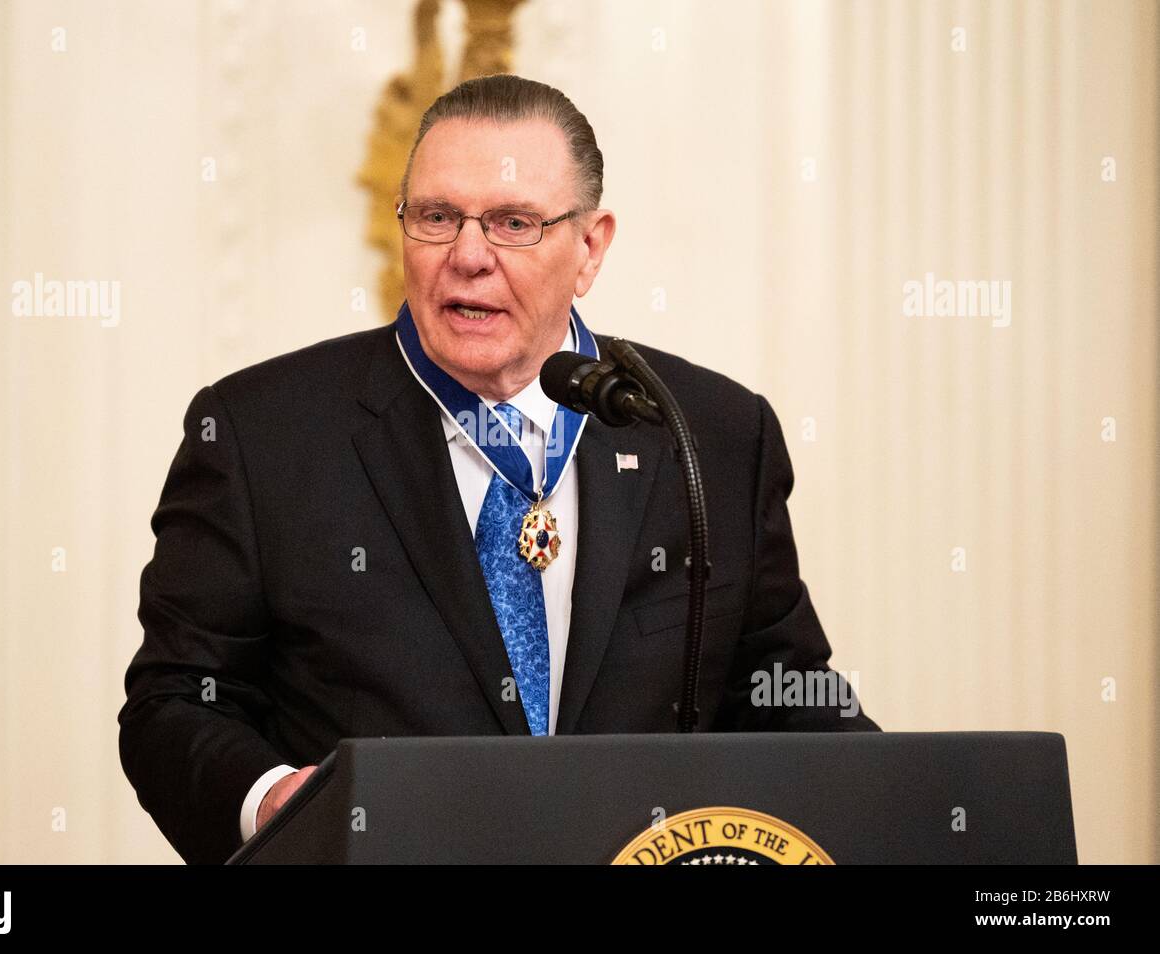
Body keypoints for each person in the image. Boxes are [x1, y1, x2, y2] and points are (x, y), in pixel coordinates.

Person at [118, 74, 878, 866]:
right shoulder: (261, 435)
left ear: (590, 248)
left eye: (513, 223)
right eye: (438, 218)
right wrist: (272, 797)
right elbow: (173, 705)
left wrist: (904, 803)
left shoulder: (709, 434)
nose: (468, 257)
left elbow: (784, 695)